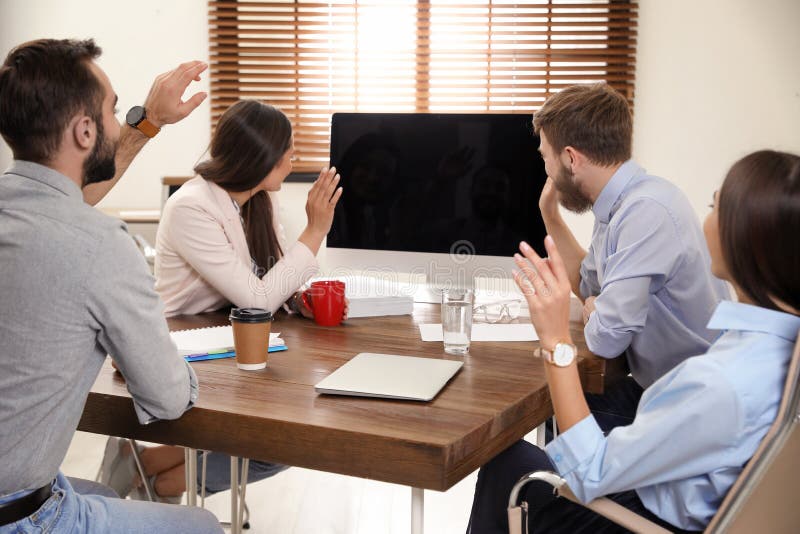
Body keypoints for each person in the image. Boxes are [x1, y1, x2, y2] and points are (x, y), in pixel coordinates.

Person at [468, 149, 800, 533]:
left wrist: (555, 338)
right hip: (682, 482)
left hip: (646, 517)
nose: (704, 217)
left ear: (743, 237)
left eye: (714, 205)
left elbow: (590, 470)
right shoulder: (773, 347)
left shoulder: (721, 381)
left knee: (505, 465)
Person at [0, 38, 221, 532]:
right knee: (201, 525)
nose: (117, 123)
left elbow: (64, 198)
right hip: (18, 515)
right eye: (112, 111)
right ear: (84, 130)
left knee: (100, 491)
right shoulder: (99, 242)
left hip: (22, 487)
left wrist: (151, 122)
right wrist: (158, 355)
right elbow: (166, 398)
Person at [98, 99, 345, 502]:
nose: (293, 156)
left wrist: (303, 300)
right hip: (182, 347)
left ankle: (140, 465)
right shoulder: (191, 206)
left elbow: (274, 279)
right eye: (287, 148)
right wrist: (316, 230)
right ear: (260, 157)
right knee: (276, 442)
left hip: (226, 344)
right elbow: (256, 299)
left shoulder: (259, 202)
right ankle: (158, 486)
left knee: (279, 436)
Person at [533, 83, 729, 435]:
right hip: (666, 389)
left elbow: (606, 338)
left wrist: (596, 307)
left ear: (570, 158)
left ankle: (564, 488)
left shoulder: (645, 213)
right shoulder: (621, 204)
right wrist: (549, 212)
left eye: (545, 156)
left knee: (557, 415)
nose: (546, 169)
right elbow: (586, 285)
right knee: (555, 410)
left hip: (687, 407)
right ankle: (561, 487)